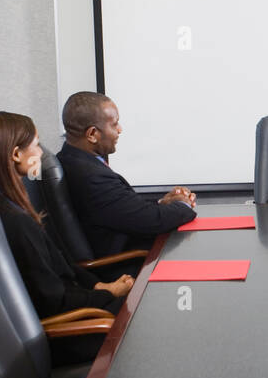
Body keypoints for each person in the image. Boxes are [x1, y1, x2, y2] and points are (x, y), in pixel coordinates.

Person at [0, 111, 131, 320]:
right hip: (70, 325)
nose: (41, 153)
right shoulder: (16, 221)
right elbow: (54, 300)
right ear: (16, 154)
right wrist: (109, 293)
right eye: (36, 145)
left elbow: (58, 265)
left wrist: (99, 286)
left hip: (74, 303)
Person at [58, 92, 196, 257]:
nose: (120, 129)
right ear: (92, 134)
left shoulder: (71, 159)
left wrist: (164, 202)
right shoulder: (92, 177)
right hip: (127, 264)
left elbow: (123, 208)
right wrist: (183, 205)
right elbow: (151, 221)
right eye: (114, 124)